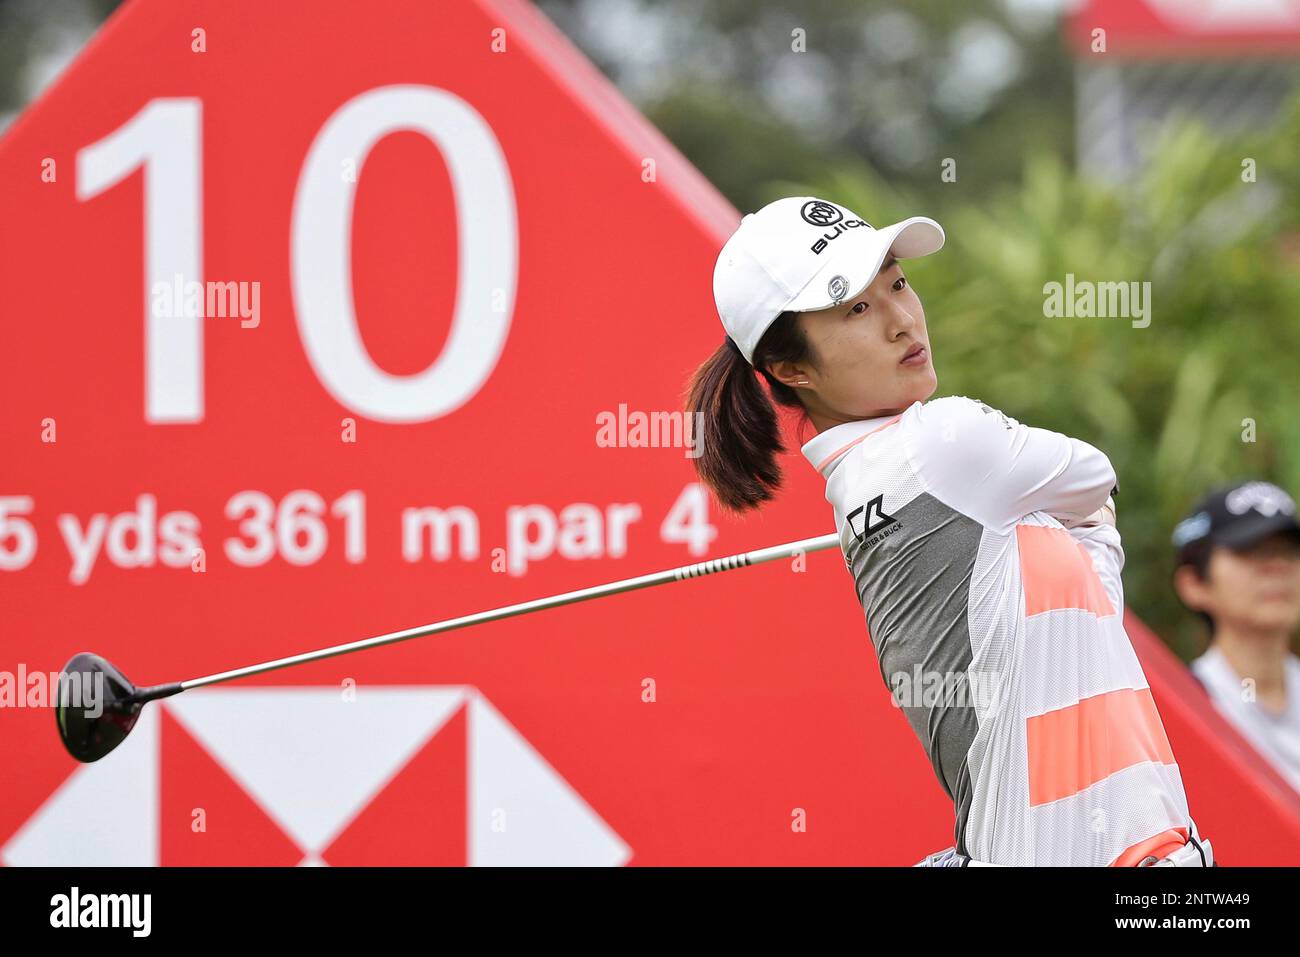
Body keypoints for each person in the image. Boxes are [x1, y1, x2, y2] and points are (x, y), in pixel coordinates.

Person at [685, 196, 1213, 867]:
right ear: (791, 370)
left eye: (898, 284)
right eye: (856, 308)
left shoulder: (872, 488)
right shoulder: (943, 442)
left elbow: (1092, 579)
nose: (903, 320)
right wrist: (1074, 538)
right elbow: (1095, 479)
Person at [1172, 481, 1300, 794]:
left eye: (1289, 550)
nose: (1277, 566)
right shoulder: (1182, 716)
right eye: (1250, 550)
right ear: (1194, 584)